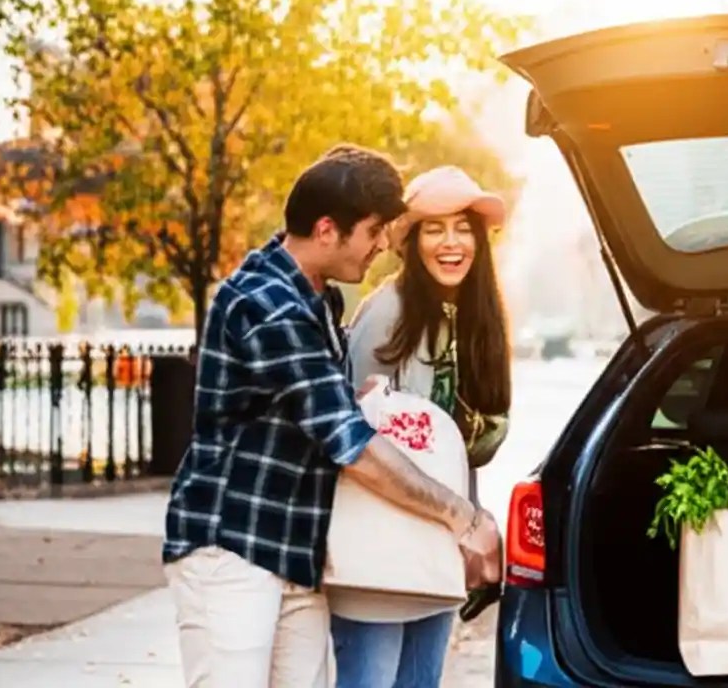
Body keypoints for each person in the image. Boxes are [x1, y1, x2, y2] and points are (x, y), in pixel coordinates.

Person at [160, 146, 503, 688]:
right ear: (327, 231)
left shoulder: (321, 301)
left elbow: (330, 415)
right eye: (374, 231)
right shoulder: (266, 303)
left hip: (297, 554)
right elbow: (351, 443)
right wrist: (463, 517)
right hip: (232, 549)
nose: (384, 244)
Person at [331, 165, 513, 687]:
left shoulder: (477, 319)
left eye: (463, 228)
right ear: (410, 240)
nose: (451, 242)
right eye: (435, 228)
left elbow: (476, 444)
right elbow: (358, 441)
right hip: (380, 543)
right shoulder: (387, 311)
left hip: (440, 542)